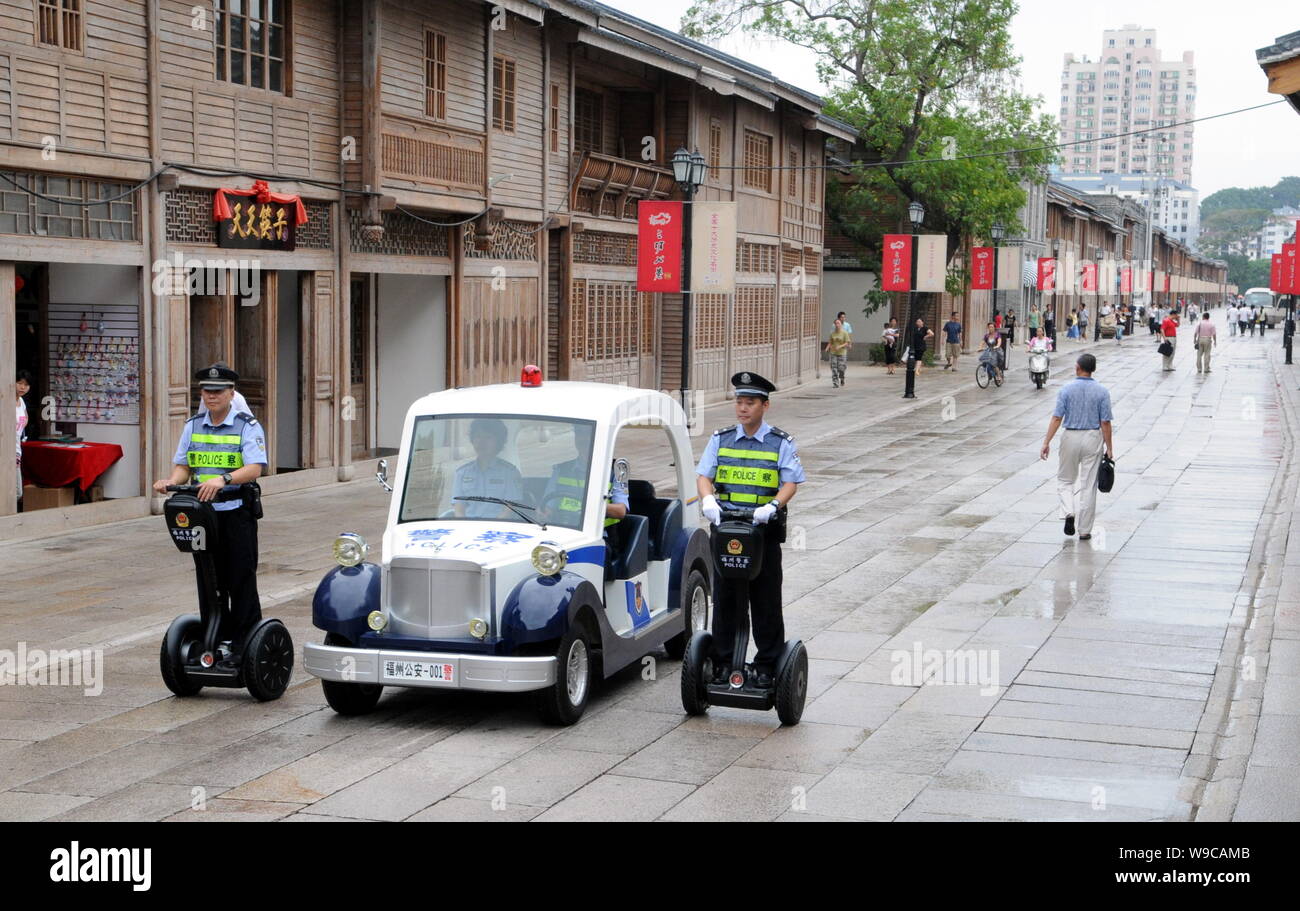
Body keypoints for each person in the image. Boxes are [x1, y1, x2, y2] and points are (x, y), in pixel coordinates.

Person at [153, 364, 268, 666]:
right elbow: (184, 466)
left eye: (217, 391)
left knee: (239, 579)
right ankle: (216, 641)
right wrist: (171, 482)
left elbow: (255, 468)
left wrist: (224, 480)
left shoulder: (247, 425)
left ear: (231, 393)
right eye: (206, 391)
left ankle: (244, 645)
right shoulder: (193, 425)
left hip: (235, 514)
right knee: (209, 580)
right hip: (203, 517)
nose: (211, 396)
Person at [697, 372, 804, 687]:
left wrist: (773, 506)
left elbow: (790, 482)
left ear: (765, 405)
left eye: (750, 403)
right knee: (727, 598)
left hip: (762, 533)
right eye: (739, 402)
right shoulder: (721, 438)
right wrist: (707, 499)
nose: (743, 408)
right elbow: (705, 475)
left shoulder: (780, 442)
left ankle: (767, 665)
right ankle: (721, 661)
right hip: (726, 529)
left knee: (765, 598)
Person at [1040, 353, 1113, 542]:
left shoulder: (1066, 389)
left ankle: (1068, 511)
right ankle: (1084, 530)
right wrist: (1110, 448)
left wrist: (1046, 442)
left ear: (1078, 367)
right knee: (1088, 484)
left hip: (1070, 435)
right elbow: (1105, 422)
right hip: (1093, 437)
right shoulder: (1102, 391)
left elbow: (1057, 417)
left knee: (1065, 480)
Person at [452, 417, 524, 519]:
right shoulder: (461, 473)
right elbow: (458, 509)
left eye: (488, 437)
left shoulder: (510, 473)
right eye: (478, 437)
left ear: (499, 442)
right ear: (472, 440)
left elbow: (510, 508)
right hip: (468, 527)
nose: (481, 442)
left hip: (499, 527)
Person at [15, 369, 31, 511]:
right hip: (7, 450)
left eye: (26, 385)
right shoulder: (5, 400)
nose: (22, 387)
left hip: (17, 450)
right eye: (19, 383)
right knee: (16, 491)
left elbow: (25, 418)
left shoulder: (21, 401)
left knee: (17, 492)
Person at [825, 317, 851, 388]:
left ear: (841, 324)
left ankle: (842, 378)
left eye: (838, 323)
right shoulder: (832, 334)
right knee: (834, 368)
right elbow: (830, 342)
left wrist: (840, 346)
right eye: (836, 323)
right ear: (834, 325)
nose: (837, 325)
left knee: (841, 368)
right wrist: (827, 348)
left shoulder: (844, 333)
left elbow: (847, 343)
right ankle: (835, 383)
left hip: (842, 353)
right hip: (833, 353)